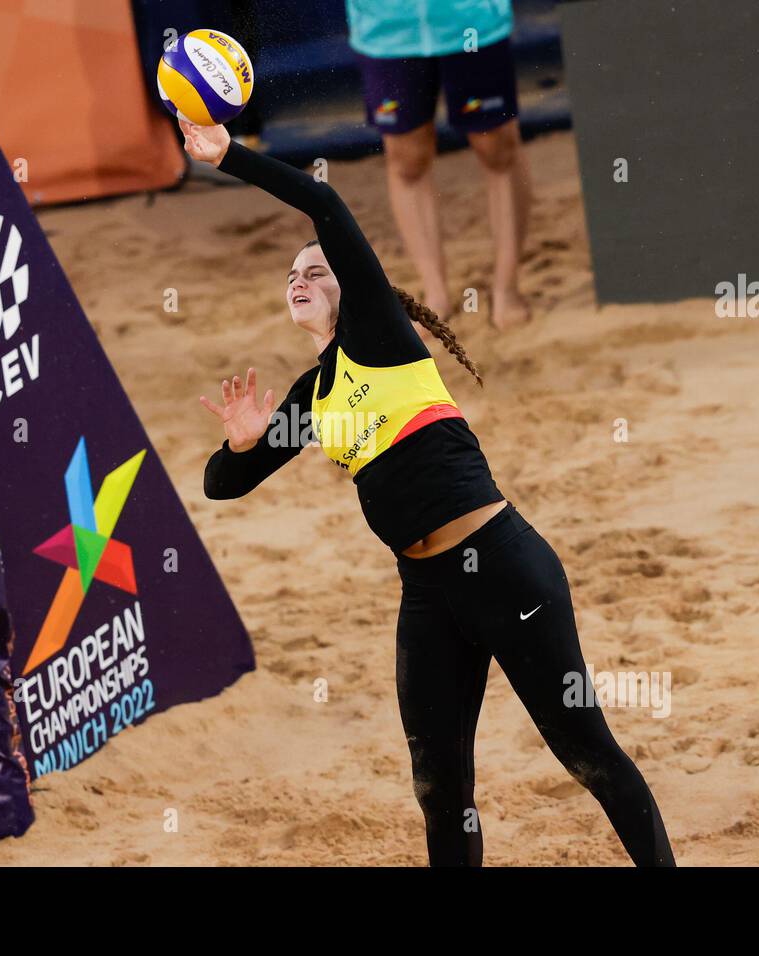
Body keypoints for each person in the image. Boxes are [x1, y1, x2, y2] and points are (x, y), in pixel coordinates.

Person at [184, 119, 674, 867]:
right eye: (291, 274)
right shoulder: (313, 396)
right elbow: (224, 487)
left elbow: (325, 208)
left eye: (317, 272)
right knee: (440, 789)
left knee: (587, 754)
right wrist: (243, 442)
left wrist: (231, 157)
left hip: (505, 567)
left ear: (357, 288)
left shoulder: (380, 336)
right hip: (427, 593)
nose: (299, 279)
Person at [346, 0, 532, 330]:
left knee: (496, 149)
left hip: (471, 19)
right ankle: (435, 295)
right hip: (386, 28)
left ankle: (507, 287)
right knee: (407, 160)